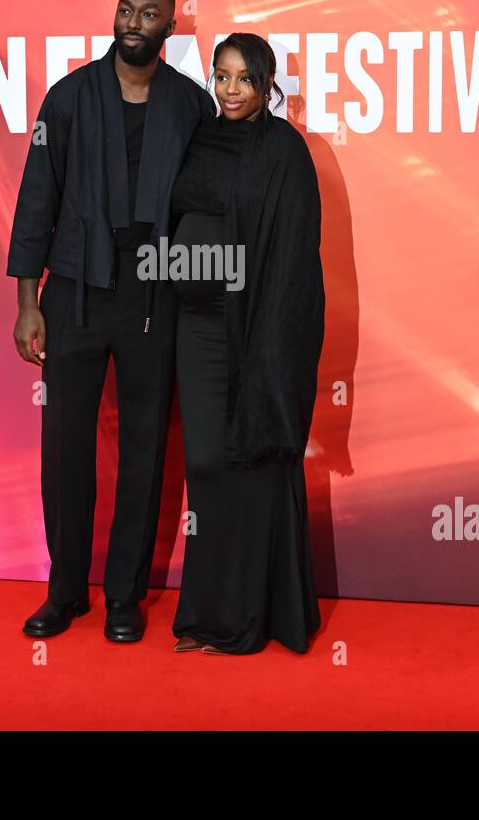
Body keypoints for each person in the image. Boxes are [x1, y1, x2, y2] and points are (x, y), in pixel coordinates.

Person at [7, 0, 216, 642]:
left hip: (154, 295)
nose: (133, 21)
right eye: (126, 10)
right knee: (65, 446)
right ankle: (65, 592)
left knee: (145, 448)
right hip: (73, 290)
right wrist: (27, 304)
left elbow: (205, 210)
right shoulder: (68, 98)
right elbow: (35, 200)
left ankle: (126, 597)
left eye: (148, 13)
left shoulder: (190, 107)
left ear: (168, 26)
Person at [165, 33, 325, 655]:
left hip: (255, 325)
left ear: (267, 84)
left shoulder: (284, 149)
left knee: (252, 460)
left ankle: (248, 618)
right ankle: (209, 611)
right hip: (195, 324)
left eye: (245, 79)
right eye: (222, 76)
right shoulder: (197, 138)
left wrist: (272, 340)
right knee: (206, 462)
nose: (231, 90)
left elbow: (294, 254)